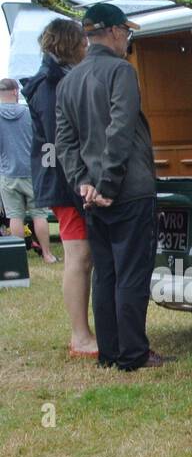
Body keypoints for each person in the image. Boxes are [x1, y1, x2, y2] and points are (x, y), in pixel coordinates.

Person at [55, 2, 171, 371]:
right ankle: (133, 354)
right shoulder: (121, 71)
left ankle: (109, 351)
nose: (127, 41)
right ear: (116, 32)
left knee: (106, 275)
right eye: (127, 34)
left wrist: (83, 183)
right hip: (128, 190)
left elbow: (65, 141)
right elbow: (119, 131)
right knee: (132, 275)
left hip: (92, 195)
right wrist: (106, 183)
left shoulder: (69, 79)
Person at [24, 18, 95, 357]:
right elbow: (60, 138)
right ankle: (80, 336)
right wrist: (82, 177)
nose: (87, 46)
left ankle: (82, 333)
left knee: (80, 257)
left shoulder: (53, 78)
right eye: (82, 41)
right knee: (78, 257)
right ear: (69, 44)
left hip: (63, 179)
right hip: (65, 182)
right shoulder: (51, 83)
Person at [0, 77, 58, 263]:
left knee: (14, 216)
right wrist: (49, 166)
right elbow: (45, 140)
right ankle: (47, 254)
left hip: (8, 173)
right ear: (16, 92)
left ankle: (19, 258)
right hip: (33, 172)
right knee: (39, 215)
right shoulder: (29, 113)